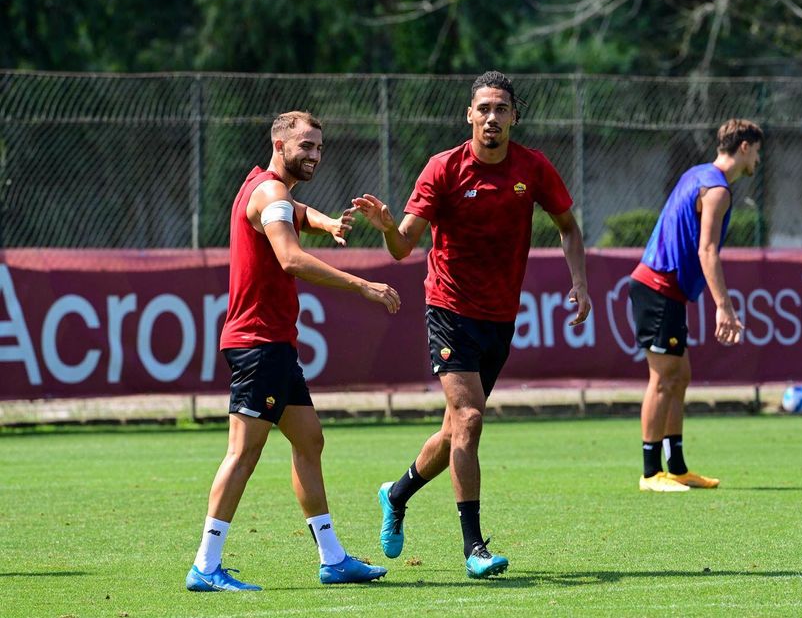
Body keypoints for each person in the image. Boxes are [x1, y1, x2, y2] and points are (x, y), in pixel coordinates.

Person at [353, 71, 591, 579]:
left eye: (500, 109)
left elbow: (569, 227)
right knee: (471, 420)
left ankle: (395, 494)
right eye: (482, 108)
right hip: (448, 308)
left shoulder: (533, 168)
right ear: (469, 115)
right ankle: (473, 548)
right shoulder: (443, 169)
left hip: (499, 317)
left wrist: (580, 282)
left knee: (452, 432)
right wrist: (386, 228)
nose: (491, 118)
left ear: (513, 118)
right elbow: (402, 248)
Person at [185, 111, 401, 592]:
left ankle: (333, 559)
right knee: (243, 453)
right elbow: (289, 258)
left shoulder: (261, 187)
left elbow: (294, 215)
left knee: (309, 440)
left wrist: (326, 224)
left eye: (319, 147)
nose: (315, 155)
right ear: (279, 145)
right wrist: (361, 284)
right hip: (258, 344)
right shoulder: (269, 192)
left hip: (273, 344)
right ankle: (205, 565)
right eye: (305, 146)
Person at [629, 118, 763, 492]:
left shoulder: (699, 173)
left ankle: (677, 466)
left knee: (680, 375)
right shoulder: (717, 188)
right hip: (657, 288)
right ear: (745, 147)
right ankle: (650, 472)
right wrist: (724, 306)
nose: (758, 161)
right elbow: (707, 250)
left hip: (665, 290)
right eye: (758, 152)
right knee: (662, 379)